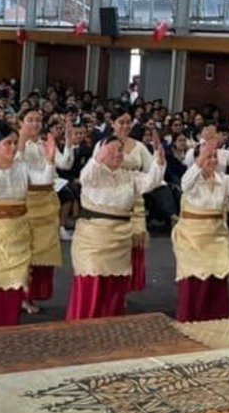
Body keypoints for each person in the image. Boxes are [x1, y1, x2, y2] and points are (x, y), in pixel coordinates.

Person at [0, 121, 56, 328]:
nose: (14, 147)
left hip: (17, 233)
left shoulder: (22, 167)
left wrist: (50, 160)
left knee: (14, 280)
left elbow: (43, 180)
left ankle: (7, 327)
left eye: (15, 143)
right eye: (8, 143)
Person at [66, 135, 165, 320]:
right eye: (111, 150)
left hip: (120, 240)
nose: (117, 154)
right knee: (92, 285)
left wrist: (159, 161)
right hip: (94, 241)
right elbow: (85, 175)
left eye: (120, 150)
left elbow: (152, 182)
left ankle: (110, 330)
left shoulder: (129, 175)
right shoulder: (94, 172)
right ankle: (83, 330)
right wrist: (98, 158)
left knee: (114, 289)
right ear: (101, 152)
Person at [172, 139, 229, 322]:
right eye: (208, 156)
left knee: (216, 279)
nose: (212, 160)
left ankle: (214, 320)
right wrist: (203, 154)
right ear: (197, 160)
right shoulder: (191, 181)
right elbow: (185, 182)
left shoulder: (223, 180)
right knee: (195, 280)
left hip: (217, 238)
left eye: (215, 156)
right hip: (192, 239)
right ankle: (190, 320)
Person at [91, 112, 153, 293]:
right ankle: (107, 286)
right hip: (110, 200)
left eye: (128, 122)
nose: (125, 126)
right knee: (112, 246)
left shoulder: (140, 146)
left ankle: (123, 288)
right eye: (121, 122)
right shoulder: (102, 145)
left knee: (135, 242)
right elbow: (95, 172)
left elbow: (152, 171)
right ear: (112, 123)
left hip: (135, 200)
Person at [16, 110, 70, 313]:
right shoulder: (16, 144)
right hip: (28, 200)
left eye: (38, 120)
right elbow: (18, 167)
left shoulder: (43, 143)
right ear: (20, 122)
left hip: (48, 200)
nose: (35, 124)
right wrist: (21, 138)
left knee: (43, 252)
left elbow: (64, 164)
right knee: (26, 252)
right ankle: (21, 296)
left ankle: (32, 294)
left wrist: (69, 143)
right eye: (30, 120)